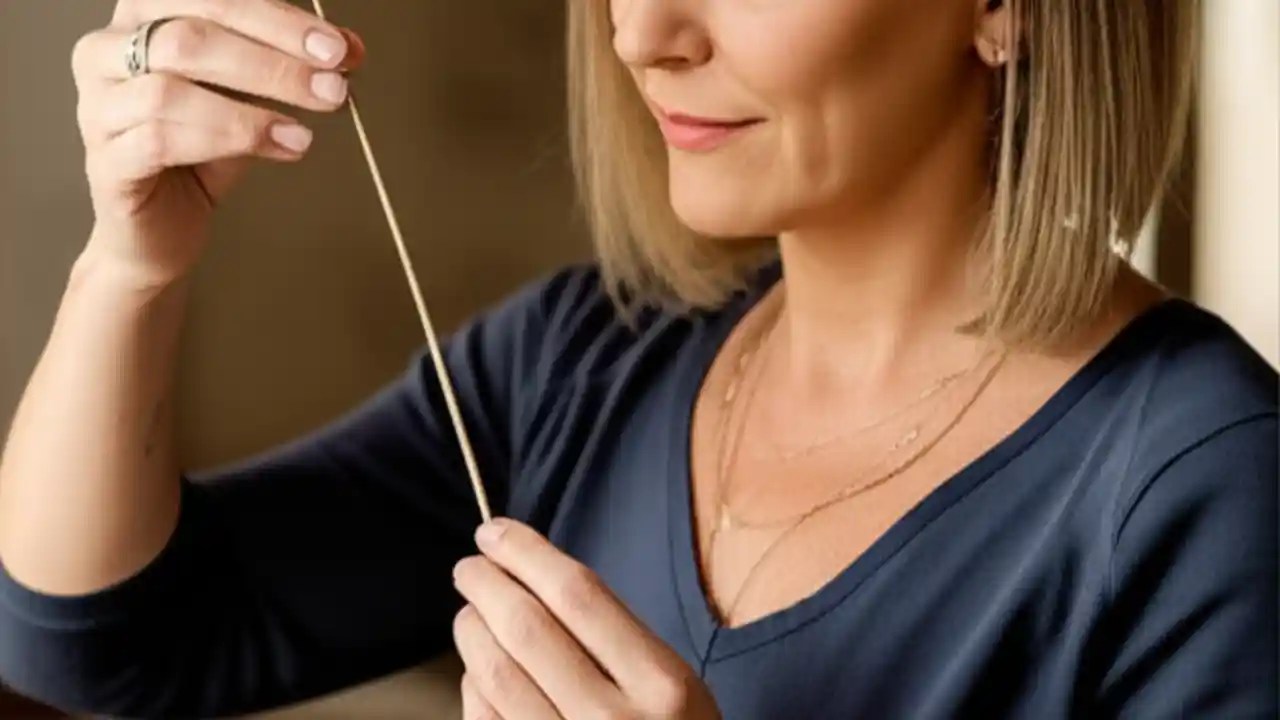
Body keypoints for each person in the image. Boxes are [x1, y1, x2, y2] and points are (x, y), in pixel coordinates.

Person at [0, 0, 1275, 717]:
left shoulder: (1205, 485)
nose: (640, 32)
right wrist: (131, 267)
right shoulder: (586, 359)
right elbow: (103, 643)